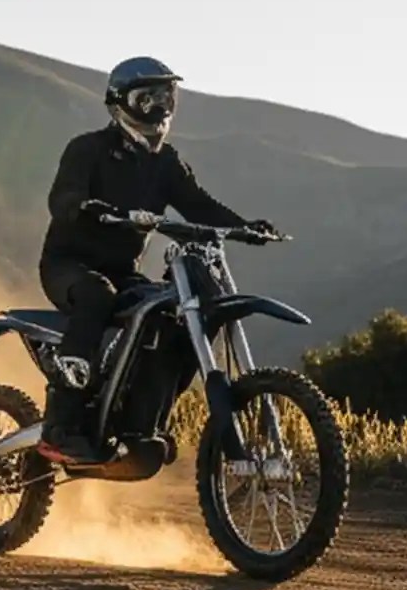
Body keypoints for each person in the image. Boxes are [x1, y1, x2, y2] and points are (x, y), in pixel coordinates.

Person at [37, 56, 275, 464]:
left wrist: (246, 228)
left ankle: (141, 425)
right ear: (119, 103)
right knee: (97, 295)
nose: (159, 109)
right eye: (147, 99)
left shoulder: (166, 162)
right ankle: (60, 428)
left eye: (166, 98)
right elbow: (61, 198)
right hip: (69, 268)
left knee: (172, 315)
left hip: (124, 273)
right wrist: (86, 206)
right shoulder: (88, 149)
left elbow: (199, 205)